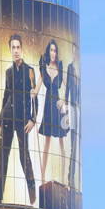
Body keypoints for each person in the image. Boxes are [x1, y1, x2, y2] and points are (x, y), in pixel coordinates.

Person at [0, 34, 38, 205]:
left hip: (23, 120)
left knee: (25, 157)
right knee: (3, 156)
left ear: (22, 49)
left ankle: (33, 197)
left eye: (18, 47)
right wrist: (1, 119)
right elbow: (6, 95)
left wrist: (33, 119)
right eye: (13, 48)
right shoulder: (8, 72)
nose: (16, 51)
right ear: (10, 50)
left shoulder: (30, 70)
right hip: (8, 117)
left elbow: (34, 98)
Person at [37, 39, 68, 185]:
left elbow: (67, 88)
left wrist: (65, 102)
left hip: (58, 105)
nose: (53, 53)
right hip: (48, 106)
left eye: (55, 50)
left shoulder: (60, 67)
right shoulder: (44, 67)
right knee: (46, 144)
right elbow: (36, 88)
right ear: (48, 51)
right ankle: (42, 178)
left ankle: (64, 179)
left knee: (62, 142)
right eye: (51, 50)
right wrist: (30, 91)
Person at [64, 61, 79, 188]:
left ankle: (72, 178)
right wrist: (67, 111)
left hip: (79, 111)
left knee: (76, 146)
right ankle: (70, 177)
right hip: (73, 110)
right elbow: (67, 90)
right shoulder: (71, 67)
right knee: (72, 146)